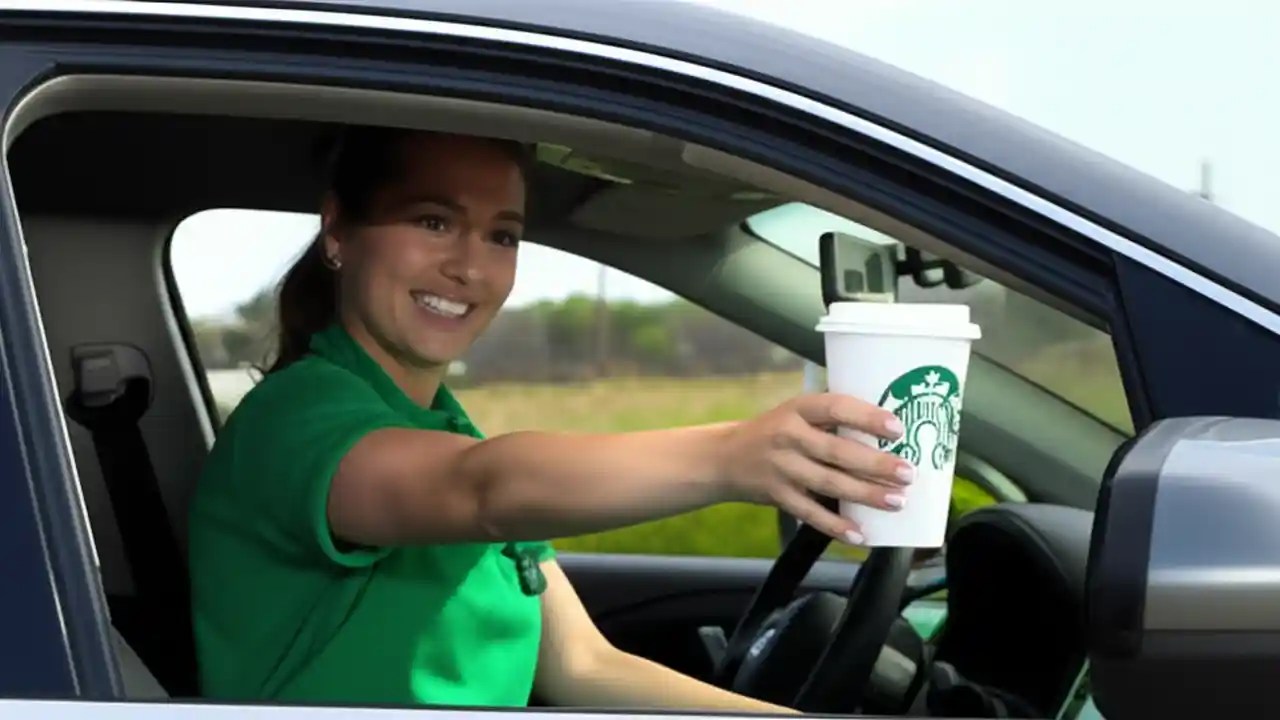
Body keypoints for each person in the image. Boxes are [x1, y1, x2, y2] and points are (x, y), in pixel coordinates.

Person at [187, 126, 915, 712]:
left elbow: (583, 665)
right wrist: (731, 455)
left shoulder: (447, 429)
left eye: (502, 235)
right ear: (339, 232)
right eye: (433, 221)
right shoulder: (294, 419)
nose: (470, 268)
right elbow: (482, 490)